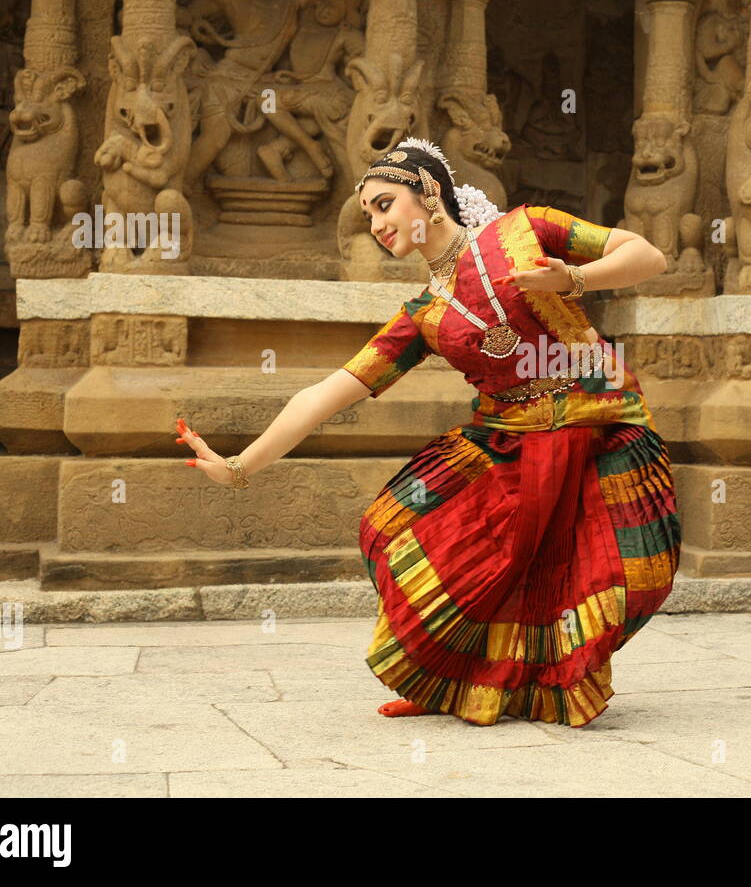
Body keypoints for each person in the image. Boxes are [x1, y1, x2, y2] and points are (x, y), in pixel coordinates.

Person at [175, 136, 682, 728]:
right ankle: (446, 677)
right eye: (368, 215)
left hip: (597, 422)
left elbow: (648, 255)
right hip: (507, 437)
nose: (376, 224)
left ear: (429, 192)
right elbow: (327, 392)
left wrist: (573, 278)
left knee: (602, 569)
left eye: (384, 204)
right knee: (393, 529)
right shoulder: (423, 315)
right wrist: (240, 466)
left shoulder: (524, 231)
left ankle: (546, 679)